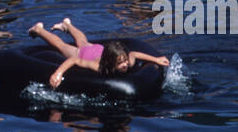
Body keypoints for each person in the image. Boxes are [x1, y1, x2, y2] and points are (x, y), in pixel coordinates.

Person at [27, 17, 170, 90]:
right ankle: (39, 30)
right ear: (110, 63)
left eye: (125, 61)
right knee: (61, 45)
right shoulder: (98, 66)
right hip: (85, 53)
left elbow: (134, 54)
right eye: (120, 63)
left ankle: (67, 25)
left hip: (99, 49)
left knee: (82, 40)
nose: (125, 64)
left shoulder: (127, 61)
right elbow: (75, 61)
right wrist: (58, 73)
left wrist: (156, 59)